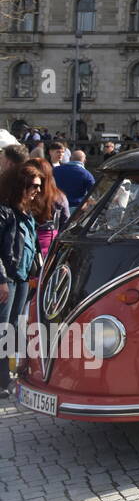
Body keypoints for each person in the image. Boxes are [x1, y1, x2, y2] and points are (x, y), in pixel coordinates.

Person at [0, 162, 44, 396]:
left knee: (14, 327)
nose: (38, 190)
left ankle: (7, 374)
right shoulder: (5, 212)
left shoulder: (27, 213)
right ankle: (1, 380)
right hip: (7, 278)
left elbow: (31, 246)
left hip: (23, 277)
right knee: (3, 328)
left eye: (40, 186)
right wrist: (1, 280)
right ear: (21, 186)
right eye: (34, 186)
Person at [28, 158, 70, 258]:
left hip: (29, 241)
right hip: (49, 243)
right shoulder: (59, 197)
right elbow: (66, 224)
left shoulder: (26, 195)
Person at [50, 145, 94, 214]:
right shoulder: (87, 175)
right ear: (84, 161)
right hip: (76, 210)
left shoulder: (55, 170)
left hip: (56, 207)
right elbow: (94, 194)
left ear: (70, 158)